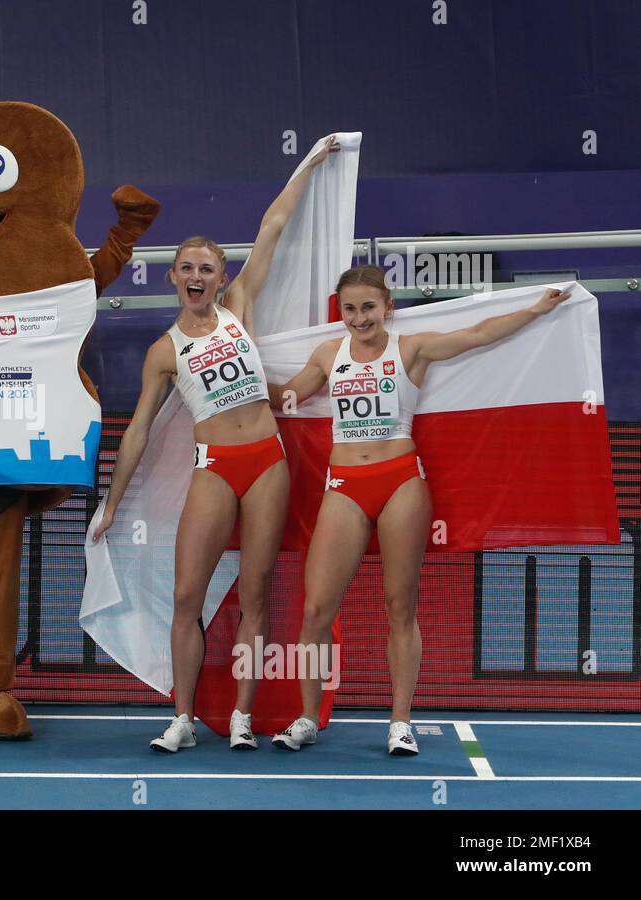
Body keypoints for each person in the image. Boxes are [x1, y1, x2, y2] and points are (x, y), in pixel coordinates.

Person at [90, 138, 338, 752]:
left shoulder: (238, 308)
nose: (197, 276)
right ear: (173, 276)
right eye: (188, 268)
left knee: (255, 594)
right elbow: (140, 431)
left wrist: (307, 164)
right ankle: (182, 717)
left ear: (220, 278)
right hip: (215, 468)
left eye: (208, 268)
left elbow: (273, 224)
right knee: (184, 595)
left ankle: (242, 719)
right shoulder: (164, 351)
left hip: (267, 464)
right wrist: (113, 505)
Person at [269, 265, 572, 754]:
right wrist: (248, 386)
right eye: (350, 308)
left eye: (368, 307)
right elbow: (292, 392)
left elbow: (477, 334)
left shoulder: (410, 348)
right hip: (345, 484)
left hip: (401, 482)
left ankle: (400, 722)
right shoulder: (329, 354)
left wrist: (535, 309)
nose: (359, 317)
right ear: (341, 311)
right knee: (316, 608)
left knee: (400, 604)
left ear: (388, 307)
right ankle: (306, 717)